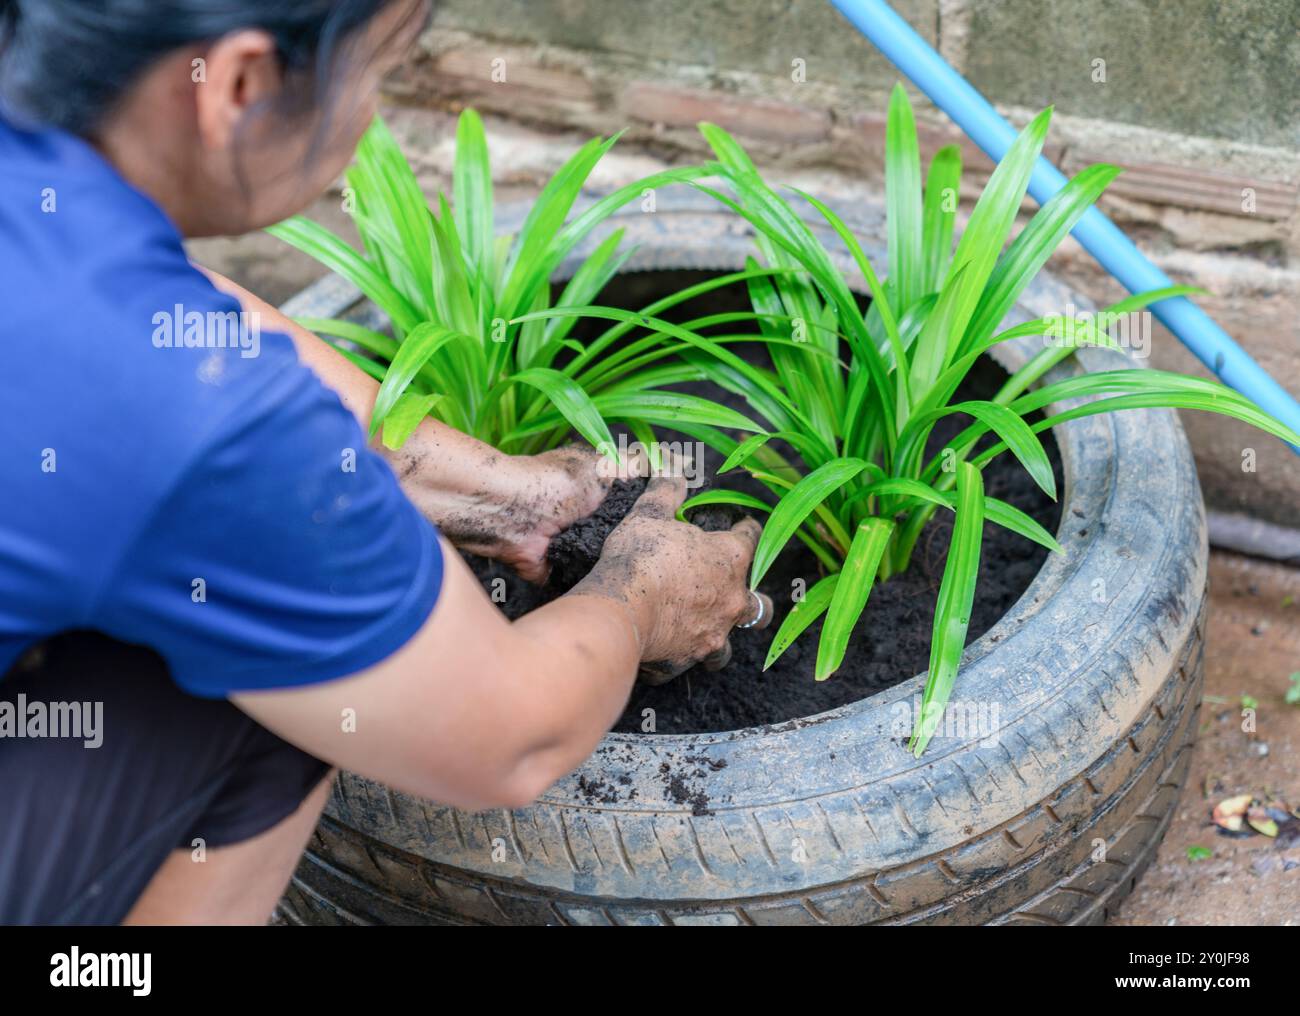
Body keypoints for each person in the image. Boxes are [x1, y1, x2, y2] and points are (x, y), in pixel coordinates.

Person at [0, 0, 769, 925]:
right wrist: (642, 595)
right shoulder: (181, 411)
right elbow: (511, 739)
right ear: (237, 85)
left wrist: (507, 495)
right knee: (271, 683)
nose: (371, 111)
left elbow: (190, 312)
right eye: (378, 69)